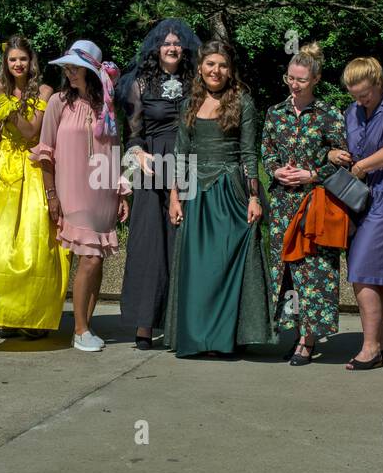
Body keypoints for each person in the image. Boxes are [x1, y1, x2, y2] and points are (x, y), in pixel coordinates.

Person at [163, 40, 274, 356]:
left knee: (225, 264)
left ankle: (227, 338)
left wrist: (254, 197)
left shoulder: (243, 102)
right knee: (199, 269)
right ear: (200, 68)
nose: (216, 70)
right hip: (195, 193)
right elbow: (181, 154)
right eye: (211, 64)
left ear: (230, 70)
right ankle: (198, 338)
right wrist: (175, 197)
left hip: (230, 189)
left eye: (223, 65)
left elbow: (249, 152)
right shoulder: (189, 104)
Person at [30, 39, 130, 352]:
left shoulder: (107, 105)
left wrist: (122, 193)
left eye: (78, 68)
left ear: (92, 72)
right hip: (72, 189)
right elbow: (45, 152)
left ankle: (87, 324)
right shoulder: (59, 102)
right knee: (88, 256)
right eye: (68, 68)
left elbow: (115, 151)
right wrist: (52, 194)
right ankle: (80, 329)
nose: (71, 73)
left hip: (103, 189)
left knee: (97, 257)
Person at [0, 36, 69, 338]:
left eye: (22, 59)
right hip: (2, 170)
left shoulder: (45, 91)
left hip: (32, 168)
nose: (17, 64)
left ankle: (33, 317)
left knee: (33, 247)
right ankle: (6, 313)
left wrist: (1, 99)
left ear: (31, 61)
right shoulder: (1, 88)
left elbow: (30, 131)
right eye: (12, 59)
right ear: (6, 62)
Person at [261, 42, 349, 366]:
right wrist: (275, 169)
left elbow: (343, 158)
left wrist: (312, 173)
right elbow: (266, 149)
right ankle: (298, 332)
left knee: (313, 271)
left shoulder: (328, 114)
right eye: (290, 79)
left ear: (315, 79)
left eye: (301, 80)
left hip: (314, 204)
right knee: (288, 273)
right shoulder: (275, 112)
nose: (294, 85)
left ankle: (309, 339)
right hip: (283, 203)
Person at [116, 18, 200, 349]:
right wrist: (135, 155)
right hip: (151, 163)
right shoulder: (139, 83)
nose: (172, 47)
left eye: (177, 43)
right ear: (157, 48)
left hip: (187, 162)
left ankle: (180, 321)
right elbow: (133, 134)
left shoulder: (196, 82)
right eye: (166, 43)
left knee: (180, 239)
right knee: (148, 242)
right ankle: (144, 325)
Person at [336, 56, 383, 370]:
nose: (360, 100)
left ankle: (369, 347)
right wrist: (335, 152)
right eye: (355, 95)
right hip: (359, 201)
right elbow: (346, 144)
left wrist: (363, 165)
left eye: (365, 94)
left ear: (378, 82)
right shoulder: (352, 111)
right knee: (377, 277)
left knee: (360, 268)